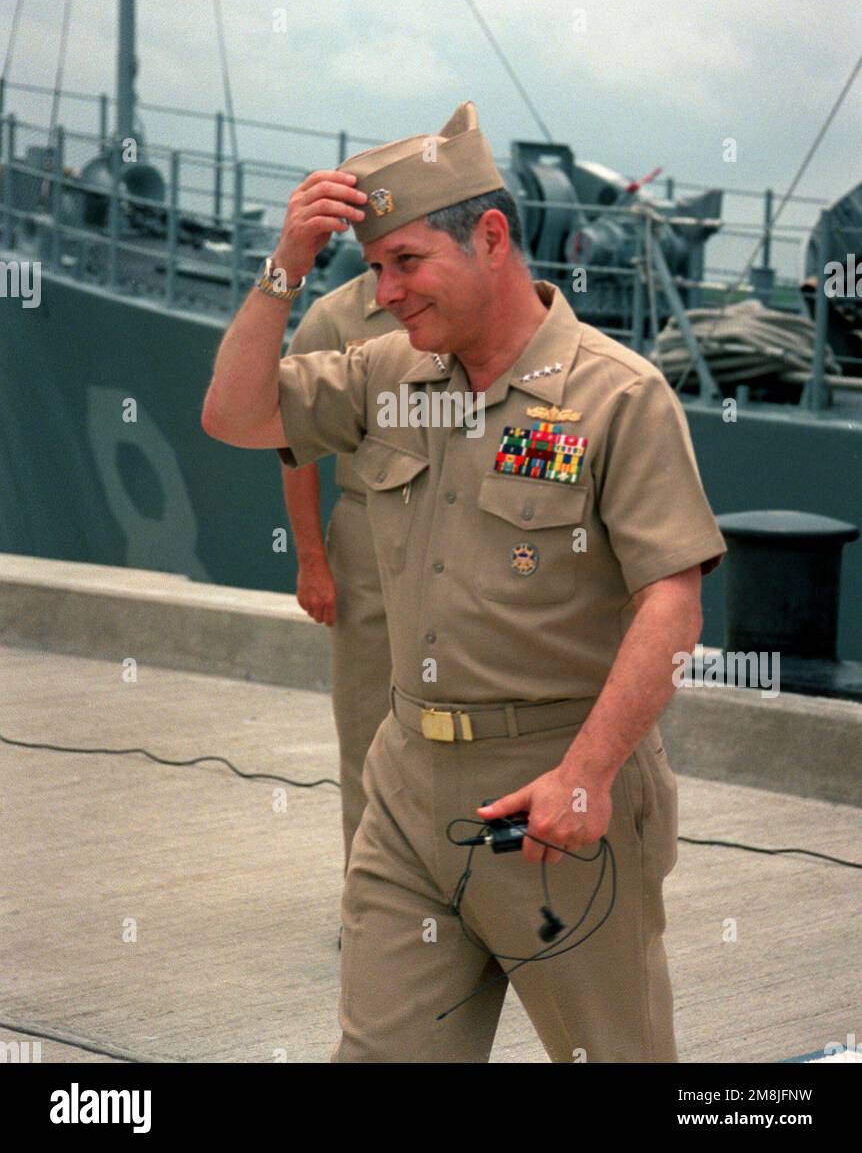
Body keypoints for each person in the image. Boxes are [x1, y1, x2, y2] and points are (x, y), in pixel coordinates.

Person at [202, 101, 727, 1063]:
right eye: (373, 269)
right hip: (405, 797)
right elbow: (235, 416)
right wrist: (284, 268)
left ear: (490, 238)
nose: (389, 292)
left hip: (555, 806)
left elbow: (672, 600)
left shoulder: (617, 396)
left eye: (407, 262)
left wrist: (590, 775)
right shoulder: (387, 376)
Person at [280, 271, 402, 872]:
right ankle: (374, 900)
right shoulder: (331, 320)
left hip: (471, 537)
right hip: (370, 541)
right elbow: (295, 446)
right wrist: (311, 562)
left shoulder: (472, 307)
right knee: (368, 730)